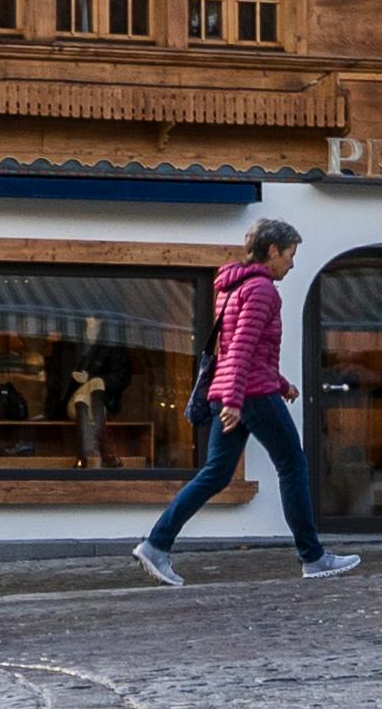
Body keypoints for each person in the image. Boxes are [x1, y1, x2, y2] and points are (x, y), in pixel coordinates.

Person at [137, 220, 363, 584]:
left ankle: (155, 545)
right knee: (293, 466)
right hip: (251, 395)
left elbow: (240, 350)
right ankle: (313, 557)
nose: (292, 263)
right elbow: (241, 347)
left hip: (239, 390)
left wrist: (280, 383)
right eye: (290, 254)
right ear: (272, 251)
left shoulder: (233, 287)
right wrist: (235, 399)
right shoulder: (262, 290)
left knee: (215, 474)